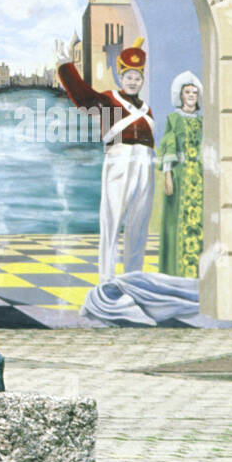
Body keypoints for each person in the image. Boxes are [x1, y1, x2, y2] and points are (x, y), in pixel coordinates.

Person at [57, 41, 154, 284]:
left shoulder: (147, 109)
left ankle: (133, 279)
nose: (133, 81)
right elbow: (82, 96)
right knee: (112, 222)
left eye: (137, 78)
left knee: (139, 224)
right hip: (119, 160)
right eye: (129, 76)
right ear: (121, 77)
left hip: (145, 165)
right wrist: (65, 66)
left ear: (142, 81)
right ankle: (107, 281)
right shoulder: (108, 100)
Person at [157, 71, 204, 278]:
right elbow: (168, 146)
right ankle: (176, 272)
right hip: (180, 175)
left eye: (194, 92)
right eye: (187, 92)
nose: (191, 95)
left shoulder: (203, 121)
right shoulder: (174, 119)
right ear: (181, 95)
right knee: (177, 222)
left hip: (199, 176)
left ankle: (197, 273)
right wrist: (168, 175)